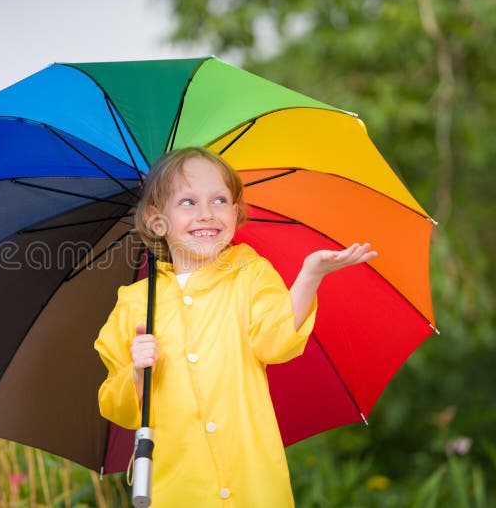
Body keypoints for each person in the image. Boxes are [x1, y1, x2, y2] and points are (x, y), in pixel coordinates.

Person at [94, 147, 376, 507]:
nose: (206, 214)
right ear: (156, 220)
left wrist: (309, 277)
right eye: (187, 202)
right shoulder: (135, 303)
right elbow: (116, 406)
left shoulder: (249, 274)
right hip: (178, 489)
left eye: (220, 200)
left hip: (253, 486)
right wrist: (136, 373)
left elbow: (276, 341)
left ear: (236, 212)